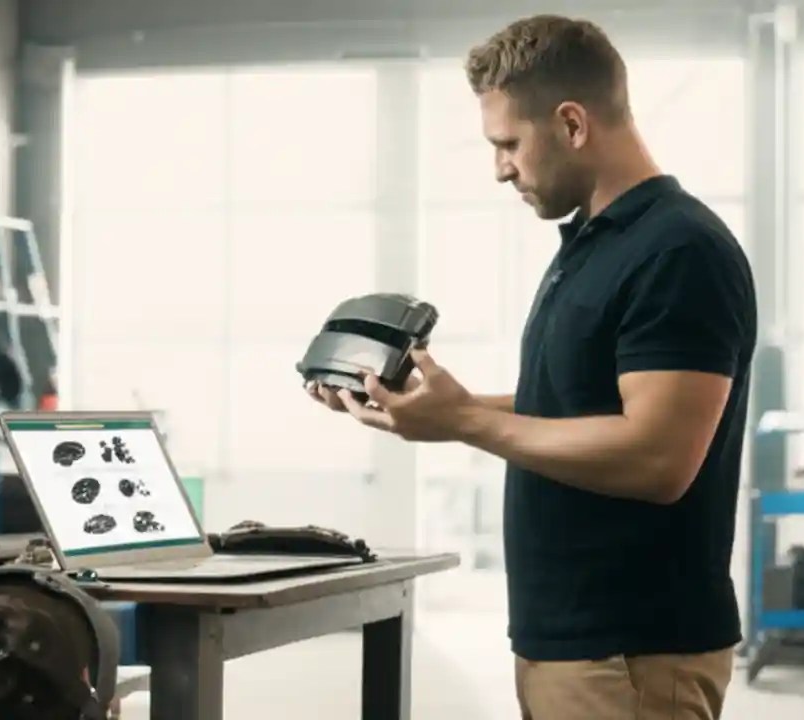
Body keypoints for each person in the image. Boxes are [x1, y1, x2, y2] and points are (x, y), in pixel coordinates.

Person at [305, 14, 757, 720]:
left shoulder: (678, 250)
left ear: (572, 124)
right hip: (575, 643)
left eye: (509, 143)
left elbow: (658, 458)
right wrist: (435, 404)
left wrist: (465, 423)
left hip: (632, 651)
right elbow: (576, 404)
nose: (500, 168)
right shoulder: (590, 244)